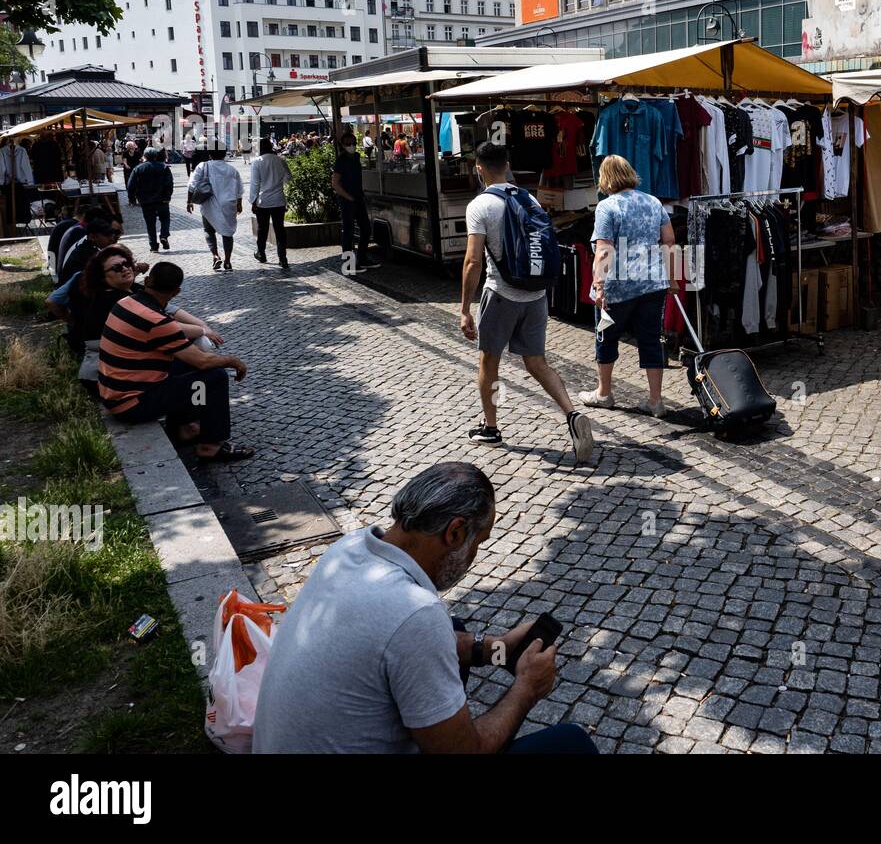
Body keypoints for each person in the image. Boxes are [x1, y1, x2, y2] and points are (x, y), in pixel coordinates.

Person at [253, 462, 598, 754]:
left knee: (454, 627)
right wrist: (527, 687)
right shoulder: (415, 615)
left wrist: (496, 650)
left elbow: (415, 641)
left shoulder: (350, 546)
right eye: (479, 542)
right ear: (456, 532)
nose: (475, 556)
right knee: (572, 744)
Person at [460, 141, 593, 461]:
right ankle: (573, 415)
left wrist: (465, 308)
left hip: (501, 293)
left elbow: (473, 262)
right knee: (537, 362)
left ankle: (490, 428)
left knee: (488, 362)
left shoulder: (480, 206)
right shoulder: (528, 198)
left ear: (479, 169)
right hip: (536, 296)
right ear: (507, 166)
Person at [99, 261, 253, 462]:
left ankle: (187, 427)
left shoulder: (126, 303)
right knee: (213, 377)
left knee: (189, 370)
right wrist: (233, 361)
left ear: (147, 281)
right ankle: (209, 446)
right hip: (133, 403)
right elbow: (203, 362)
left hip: (115, 392)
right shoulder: (158, 322)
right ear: (177, 291)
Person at [578, 155, 678, 418]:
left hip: (618, 288)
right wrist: (674, 277)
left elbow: (603, 250)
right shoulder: (653, 202)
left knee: (606, 337)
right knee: (651, 340)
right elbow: (669, 240)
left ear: (606, 179)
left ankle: (604, 394)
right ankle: (656, 401)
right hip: (652, 284)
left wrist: (599, 286)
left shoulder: (607, 207)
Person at [70, 244, 222, 395]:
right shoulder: (113, 300)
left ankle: (189, 415)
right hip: (106, 378)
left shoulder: (133, 290)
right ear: (102, 276)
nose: (124, 268)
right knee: (201, 369)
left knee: (192, 365)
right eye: (116, 268)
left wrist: (203, 325)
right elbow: (168, 327)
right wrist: (202, 331)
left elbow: (171, 310)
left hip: (126, 372)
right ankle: (189, 416)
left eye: (126, 263)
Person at [330, 132, 380, 273]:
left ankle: (363, 259)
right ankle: (349, 265)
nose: (351, 145)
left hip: (358, 198)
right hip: (347, 201)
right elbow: (335, 183)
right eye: (348, 143)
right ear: (342, 145)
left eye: (353, 142)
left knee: (366, 230)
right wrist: (348, 197)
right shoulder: (341, 160)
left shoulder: (356, 157)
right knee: (348, 232)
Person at [188, 148, 242, 272]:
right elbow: (239, 189)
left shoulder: (203, 166)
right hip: (229, 204)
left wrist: (189, 201)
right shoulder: (232, 169)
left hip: (209, 203)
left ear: (210, 154)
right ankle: (228, 261)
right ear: (224, 154)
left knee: (208, 230)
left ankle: (215, 255)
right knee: (227, 233)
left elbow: (192, 184)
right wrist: (239, 203)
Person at [248, 137, 291, 270]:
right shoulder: (280, 160)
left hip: (263, 201)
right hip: (278, 200)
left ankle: (261, 253)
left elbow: (255, 184)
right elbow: (289, 177)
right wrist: (278, 184)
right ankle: (282, 258)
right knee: (280, 229)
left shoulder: (257, 162)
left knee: (262, 228)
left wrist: (253, 201)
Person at [127, 145, 173, 252]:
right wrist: (168, 197)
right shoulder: (164, 167)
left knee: (150, 223)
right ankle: (164, 235)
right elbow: (169, 184)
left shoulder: (138, 168)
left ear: (145, 156)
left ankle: (153, 245)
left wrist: (132, 198)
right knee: (165, 219)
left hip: (146, 200)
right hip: (162, 200)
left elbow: (130, 186)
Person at [58, 214, 122, 285]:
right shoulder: (87, 254)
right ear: (92, 237)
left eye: (111, 234)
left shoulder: (89, 247)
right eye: (107, 235)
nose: (111, 238)